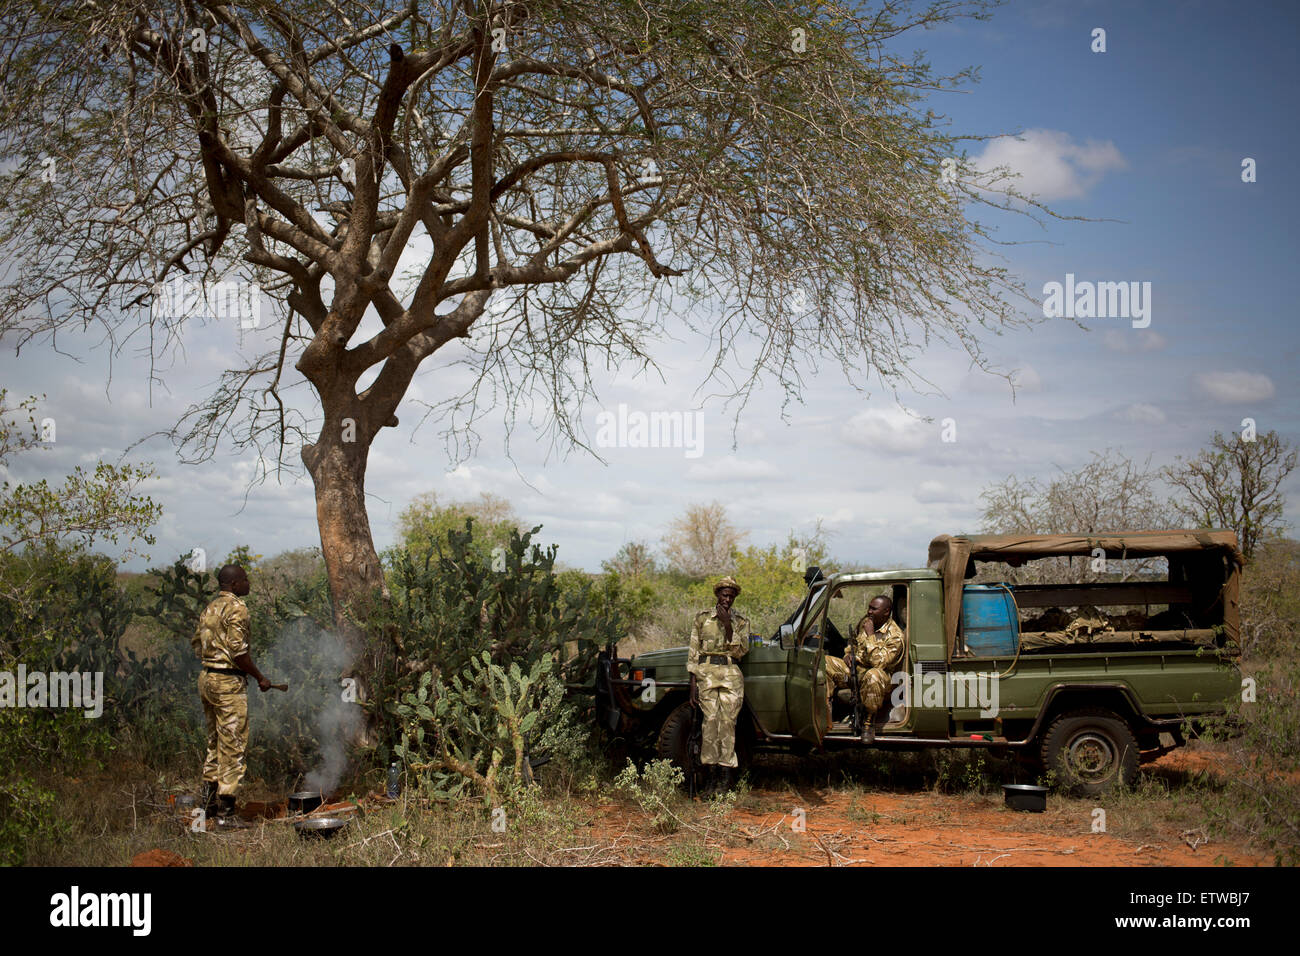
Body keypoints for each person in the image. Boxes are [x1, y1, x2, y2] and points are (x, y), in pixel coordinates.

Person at [192, 564, 272, 829]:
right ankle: (227, 814)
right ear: (235, 584)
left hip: (207, 678)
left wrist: (213, 661)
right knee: (233, 745)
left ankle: (208, 807)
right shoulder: (237, 608)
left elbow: (196, 644)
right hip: (227, 682)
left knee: (214, 741)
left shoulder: (209, 608)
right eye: (246, 579)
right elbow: (239, 652)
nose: (249, 583)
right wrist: (259, 676)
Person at [687, 576, 750, 796]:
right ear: (717, 595)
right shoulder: (702, 618)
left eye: (731, 596)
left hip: (730, 673)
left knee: (728, 723)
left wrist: (727, 626)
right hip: (706, 674)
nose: (727, 600)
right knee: (709, 723)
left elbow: (741, 652)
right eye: (724, 595)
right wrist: (692, 683)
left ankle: (725, 778)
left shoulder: (741, 621)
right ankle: (710, 778)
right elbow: (694, 652)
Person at [823, 594, 905, 743]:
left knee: (873, 675)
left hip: (881, 679)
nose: (869, 612)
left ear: (886, 612)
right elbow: (853, 642)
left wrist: (870, 635)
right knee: (823, 662)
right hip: (856, 670)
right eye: (869, 607)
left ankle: (868, 724)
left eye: (874, 609)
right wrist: (848, 654)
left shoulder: (895, 636)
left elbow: (879, 663)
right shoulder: (865, 622)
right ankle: (826, 712)